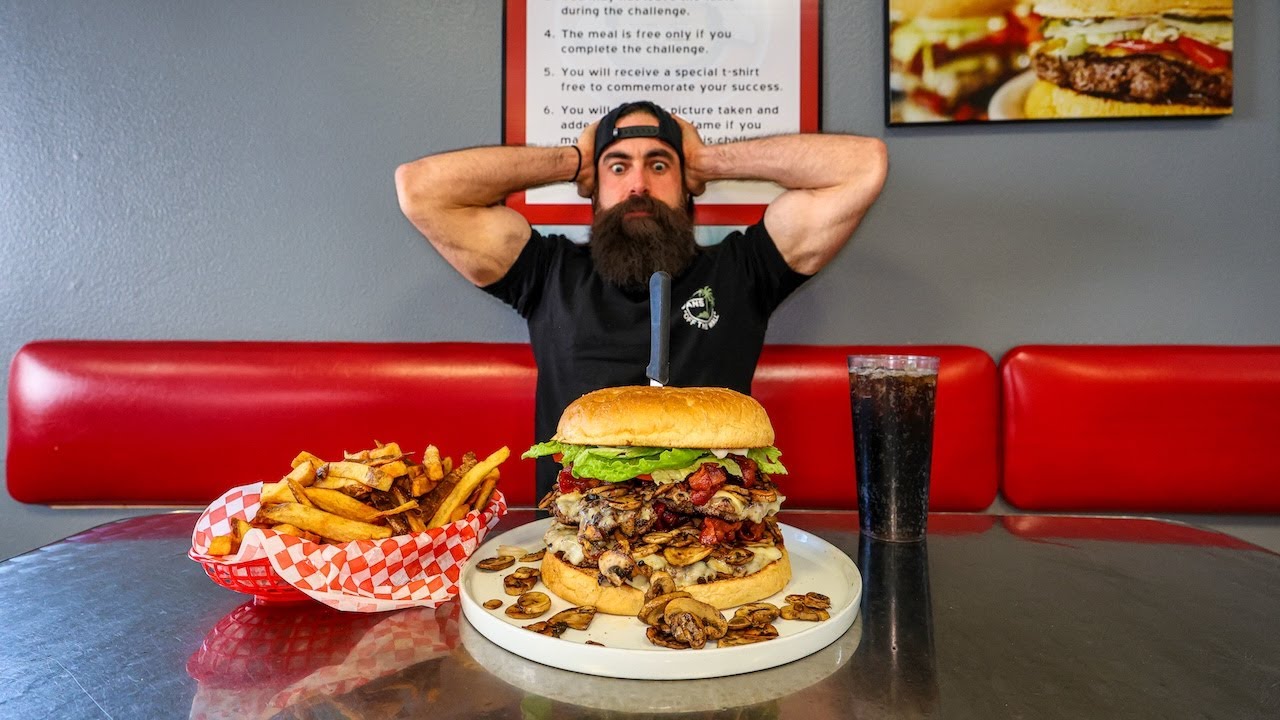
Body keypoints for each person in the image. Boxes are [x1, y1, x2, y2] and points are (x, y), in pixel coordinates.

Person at [395, 100, 888, 499]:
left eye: (659, 165)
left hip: (713, 528)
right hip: (574, 536)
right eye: (617, 166)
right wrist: (572, 160)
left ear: (687, 188)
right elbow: (420, 190)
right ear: (593, 189)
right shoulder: (546, 273)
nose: (638, 185)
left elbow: (863, 166)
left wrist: (707, 161)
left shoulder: (743, 270)